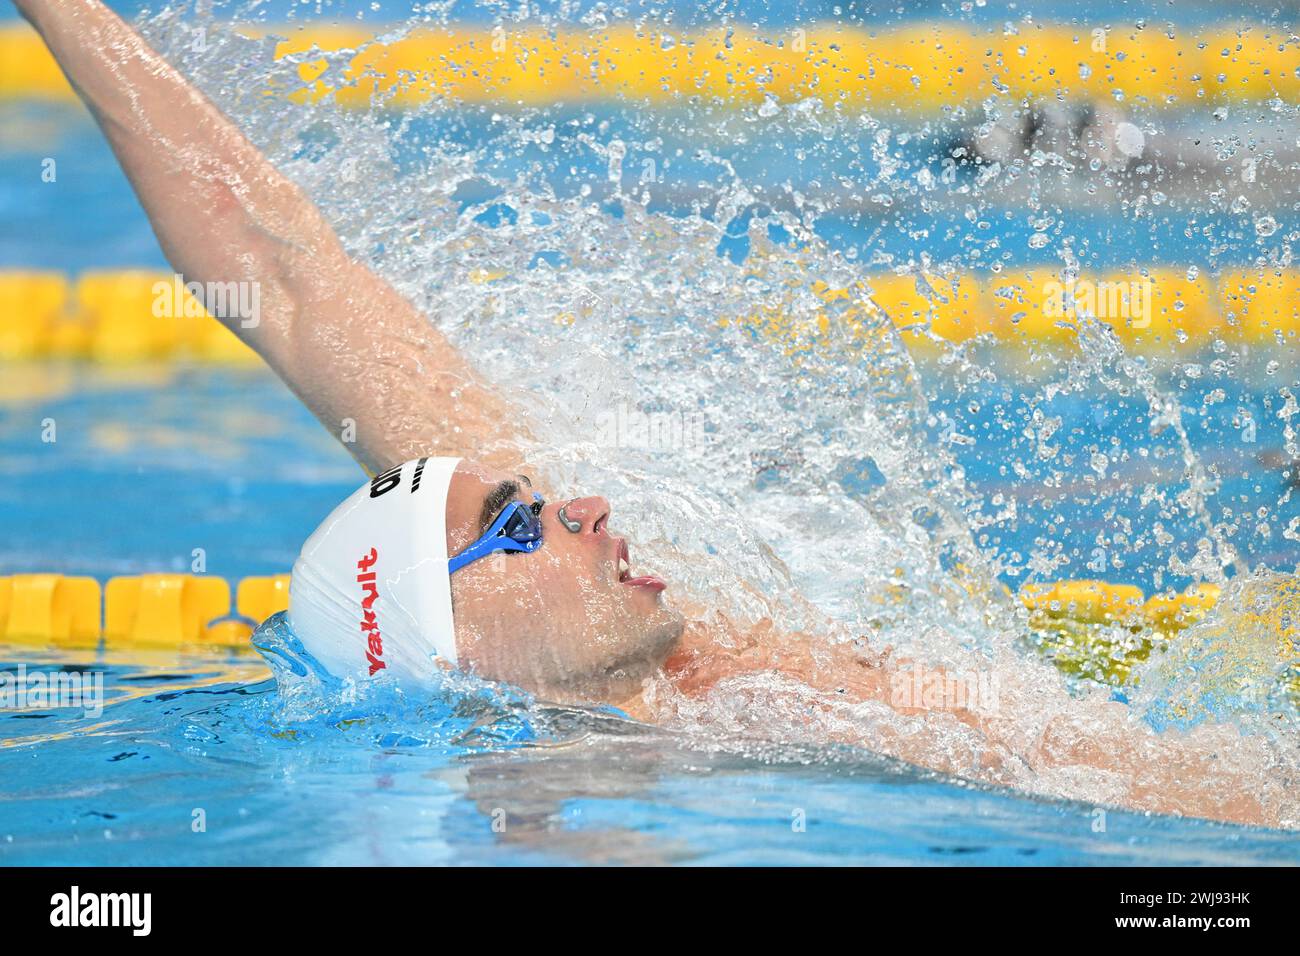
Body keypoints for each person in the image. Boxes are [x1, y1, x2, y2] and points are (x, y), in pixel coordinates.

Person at [16, 0, 1294, 829]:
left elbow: (282, 267)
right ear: (449, 646)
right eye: (520, 521)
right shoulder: (597, 780)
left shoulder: (664, 658)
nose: (580, 502)